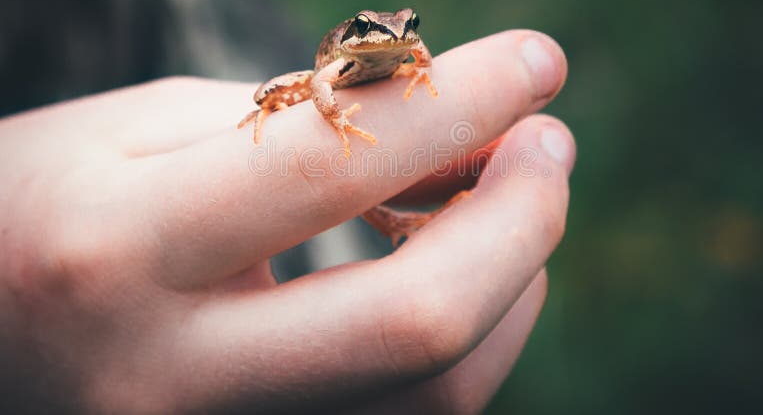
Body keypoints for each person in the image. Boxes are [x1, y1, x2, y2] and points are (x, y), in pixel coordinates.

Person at [0, 29, 573, 413]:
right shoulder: (344, 58)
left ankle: (389, 223)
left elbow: (416, 48)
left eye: (401, 28)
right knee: (272, 96)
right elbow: (321, 83)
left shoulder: (400, 47)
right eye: (373, 27)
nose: (390, 36)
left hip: (206, 33)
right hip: (226, 91)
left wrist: (419, 71)